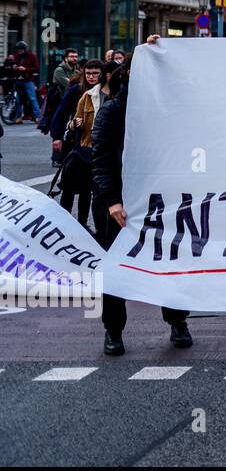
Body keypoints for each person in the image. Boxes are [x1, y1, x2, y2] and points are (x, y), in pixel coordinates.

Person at [92, 41, 191, 355]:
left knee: (168, 259)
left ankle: (177, 321)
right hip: (118, 204)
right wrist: (112, 201)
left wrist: (159, 47)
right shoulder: (112, 111)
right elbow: (102, 160)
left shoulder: (166, 113)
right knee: (116, 265)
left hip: (159, 201)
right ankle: (113, 330)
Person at [54, 60, 103, 230]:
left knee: (86, 190)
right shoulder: (77, 90)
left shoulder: (105, 92)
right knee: (68, 187)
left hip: (94, 149)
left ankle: (82, 223)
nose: (91, 76)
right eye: (88, 73)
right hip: (77, 146)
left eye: (95, 73)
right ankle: (64, 223)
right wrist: (59, 135)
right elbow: (62, 113)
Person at [11, 40, 39, 122]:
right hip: (18, 80)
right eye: (18, 49)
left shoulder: (32, 56)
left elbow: (37, 68)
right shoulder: (16, 56)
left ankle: (38, 116)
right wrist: (14, 67)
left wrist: (25, 69)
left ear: (25, 49)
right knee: (17, 100)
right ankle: (18, 117)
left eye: (21, 49)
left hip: (28, 80)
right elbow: (13, 66)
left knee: (32, 98)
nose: (19, 51)